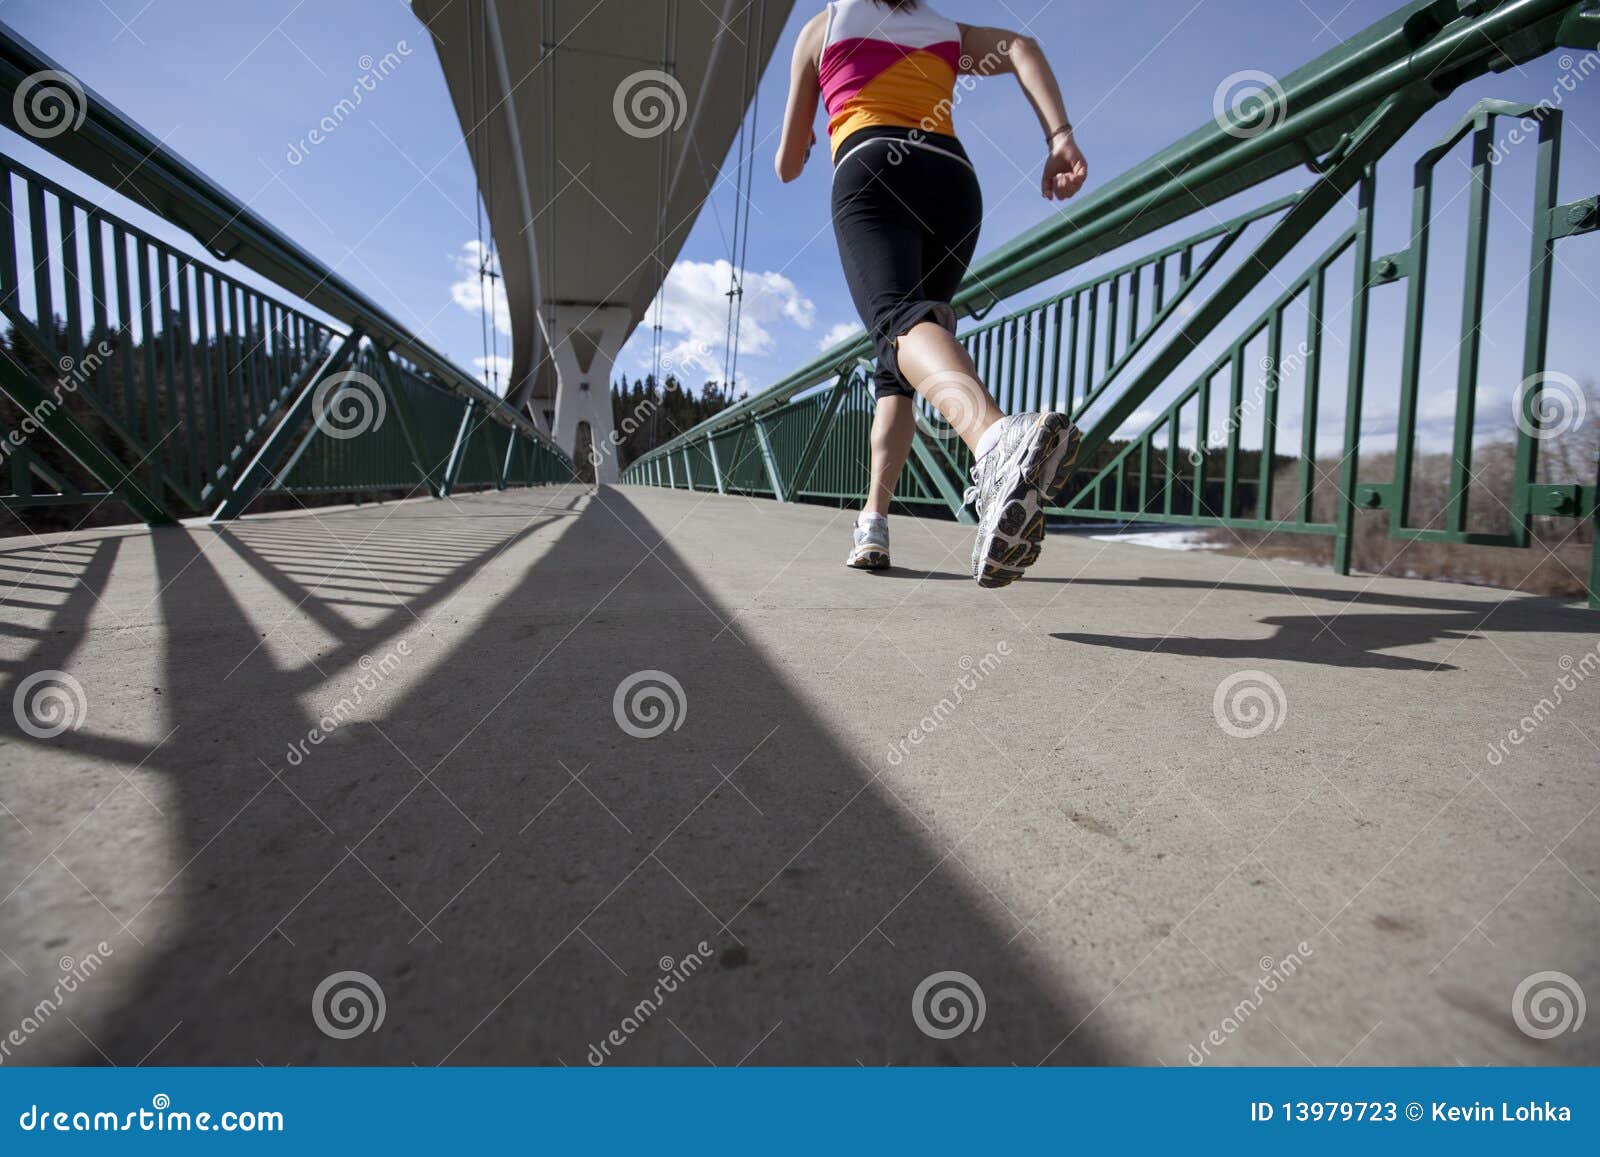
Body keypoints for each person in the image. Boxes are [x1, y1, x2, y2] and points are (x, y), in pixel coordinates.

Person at [775, 0, 1089, 587]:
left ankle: (994, 440)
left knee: (898, 324)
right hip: (952, 181)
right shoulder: (945, 29)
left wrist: (813, 129)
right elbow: (1023, 46)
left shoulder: (821, 27)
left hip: (872, 166)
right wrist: (1060, 137)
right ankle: (874, 520)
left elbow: (789, 165)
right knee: (904, 356)